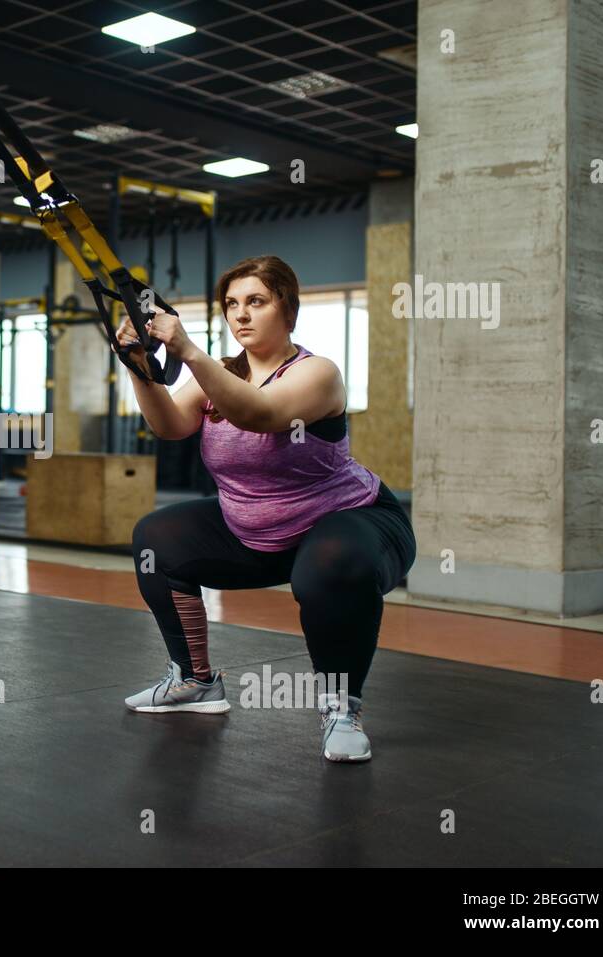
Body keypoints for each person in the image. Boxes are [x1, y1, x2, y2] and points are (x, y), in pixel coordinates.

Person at [120, 255, 415, 762]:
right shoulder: (221, 373)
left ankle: (341, 707)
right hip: (255, 532)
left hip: (350, 523)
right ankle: (195, 683)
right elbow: (169, 426)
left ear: (288, 308)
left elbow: (260, 413)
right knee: (156, 538)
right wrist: (140, 368)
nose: (241, 315)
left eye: (256, 301)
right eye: (231, 304)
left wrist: (187, 349)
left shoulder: (317, 373)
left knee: (327, 566)